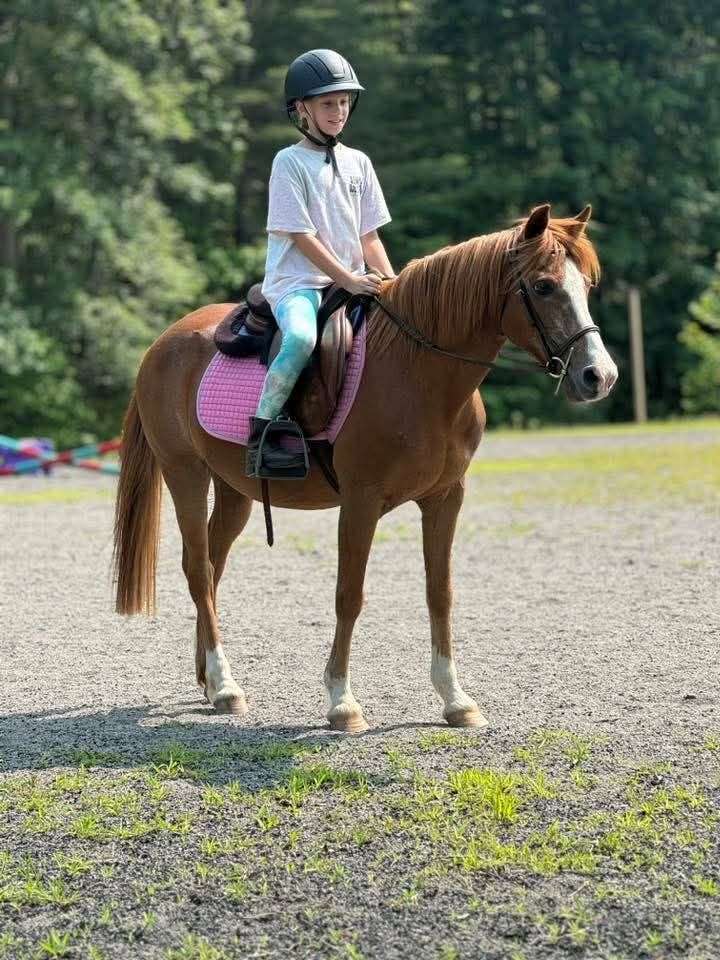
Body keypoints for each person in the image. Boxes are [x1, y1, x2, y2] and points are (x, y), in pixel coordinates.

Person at [246, 48, 395, 477]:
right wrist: (348, 279)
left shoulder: (359, 163)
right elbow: (301, 236)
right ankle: (263, 433)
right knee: (300, 340)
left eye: (345, 101)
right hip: (298, 284)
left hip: (353, 280)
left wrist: (392, 281)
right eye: (328, 103)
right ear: (302, 109)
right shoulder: (288, 162)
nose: (339, 111)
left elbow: (370, 237)